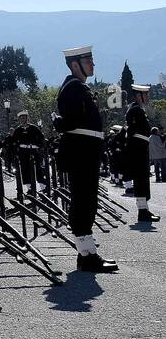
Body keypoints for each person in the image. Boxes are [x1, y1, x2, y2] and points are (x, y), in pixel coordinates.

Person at [54, 45, 118, 272]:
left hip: (86, 151)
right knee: (83, 202)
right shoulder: (73, 88)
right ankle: (86, 255)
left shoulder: (80, 87)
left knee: (87, 201)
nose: (92, 64)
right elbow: (70, 121)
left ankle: (88, 253)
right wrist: (60, 123)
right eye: (88, 61)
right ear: (75, 65)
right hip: (80, 152)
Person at [125, 83, 158, 223]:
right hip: (138, 149)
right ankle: (142, 212)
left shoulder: (137, 109)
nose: (147, 97)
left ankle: (144, 210)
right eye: (145, 95)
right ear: (139, 95)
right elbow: (136, 131)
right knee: (141, 180)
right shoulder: (136, 110)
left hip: (140, 148)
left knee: (142, 180)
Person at [7, 111, 46, 193]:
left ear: (27, 118)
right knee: (25, 169)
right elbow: (13, 142)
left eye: (24, 118)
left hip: (34, 150)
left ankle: (43, 186)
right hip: (23, 152)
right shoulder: (18, 130)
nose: (22, 119)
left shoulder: (34, 128)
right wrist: (16, 153)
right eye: (21, 118)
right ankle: (29, 188)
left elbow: (42, 138)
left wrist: (39, 147)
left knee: (38, 168)